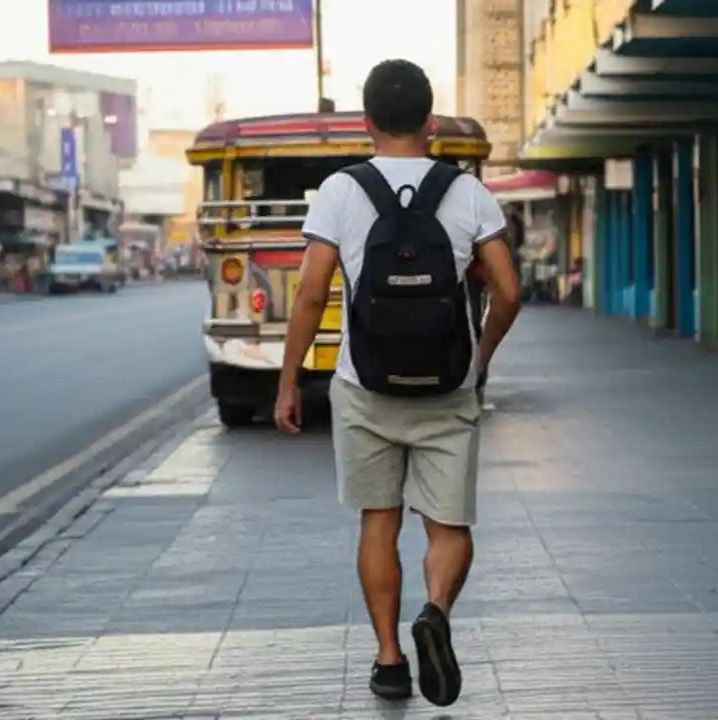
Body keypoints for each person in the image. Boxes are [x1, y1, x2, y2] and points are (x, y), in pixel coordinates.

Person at [274, 59, 521, 707]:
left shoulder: (340, 190)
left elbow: (308, 295)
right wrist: (481, 358)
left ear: (367, 124)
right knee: (448, 526)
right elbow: (511, 291)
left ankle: (388, 659)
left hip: (365, 385)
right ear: (431, 123)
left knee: (377, 522)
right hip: (448, 386)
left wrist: (289, 381)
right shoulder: (467, 192)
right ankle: (435, 612)